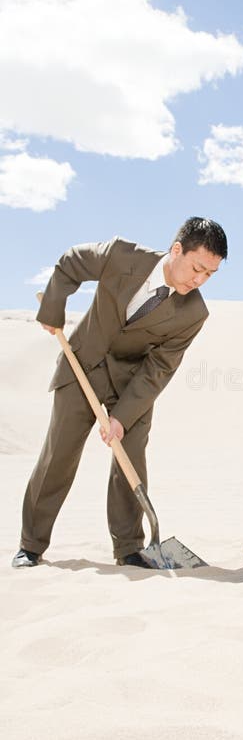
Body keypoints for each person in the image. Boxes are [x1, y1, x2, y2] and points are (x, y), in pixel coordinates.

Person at [12, 217, 227, 569]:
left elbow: (158, 369)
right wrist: (52, 309)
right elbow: (70, 263)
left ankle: (129, 547)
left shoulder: (194, 313)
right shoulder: (121, 255)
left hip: (131, 385)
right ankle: (31, 544)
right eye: (197, 268)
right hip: (83, 365)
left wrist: (121, 418)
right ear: (177, 250)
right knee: (59, 454)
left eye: (209, 275)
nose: (199, 280)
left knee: (132, 457)